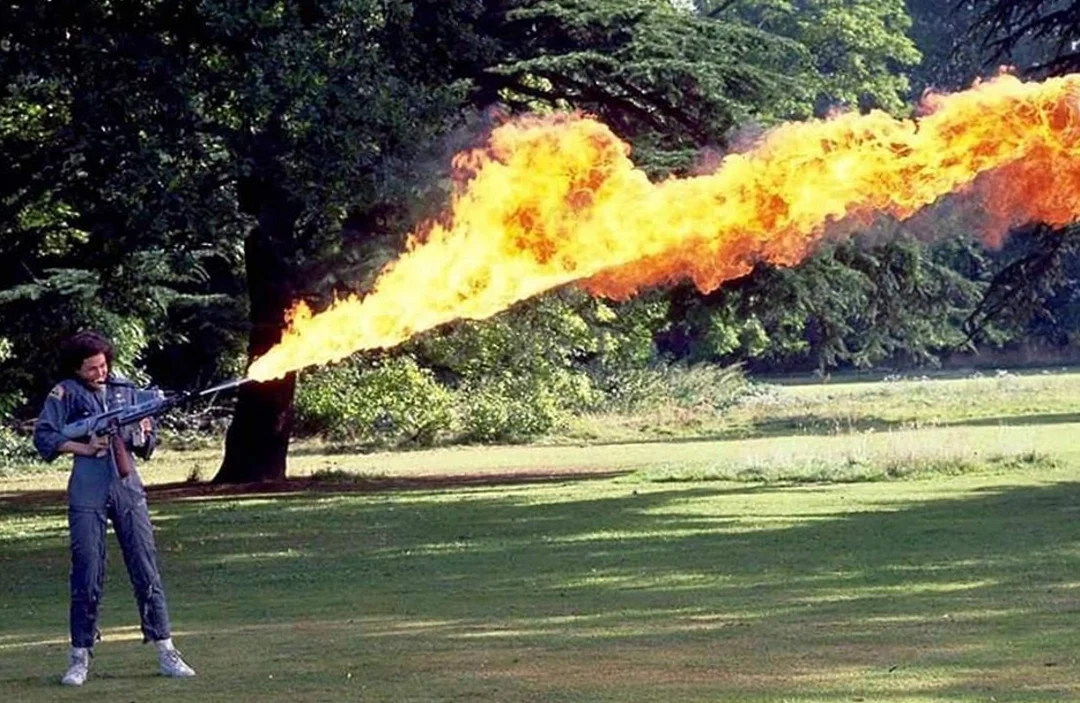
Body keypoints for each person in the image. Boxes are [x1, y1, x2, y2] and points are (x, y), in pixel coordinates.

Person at [33, 331, 196, 686]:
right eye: (92, 368)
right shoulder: (64, 393)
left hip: (127, 488)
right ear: (77, 369)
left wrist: (144, 432)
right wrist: (86, 446)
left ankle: (166, 648)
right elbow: (44, 437)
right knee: (87, 569)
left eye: (103, 365)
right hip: (87, 488)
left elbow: (147, 444)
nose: (100, 373)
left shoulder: (126, 390)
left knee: (145, 566)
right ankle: (79, 656)